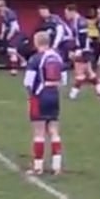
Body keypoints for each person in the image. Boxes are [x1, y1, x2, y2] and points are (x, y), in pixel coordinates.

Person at [24, 28, 66, 176]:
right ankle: (57, 166)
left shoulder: (35, 59)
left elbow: (28, 82)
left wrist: (31, 96)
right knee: (54, 130)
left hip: (40, 95)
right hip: (54, 94)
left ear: (36, 42)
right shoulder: (58, 57)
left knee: (39, 131)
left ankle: (38, 167)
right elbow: (64, 80)